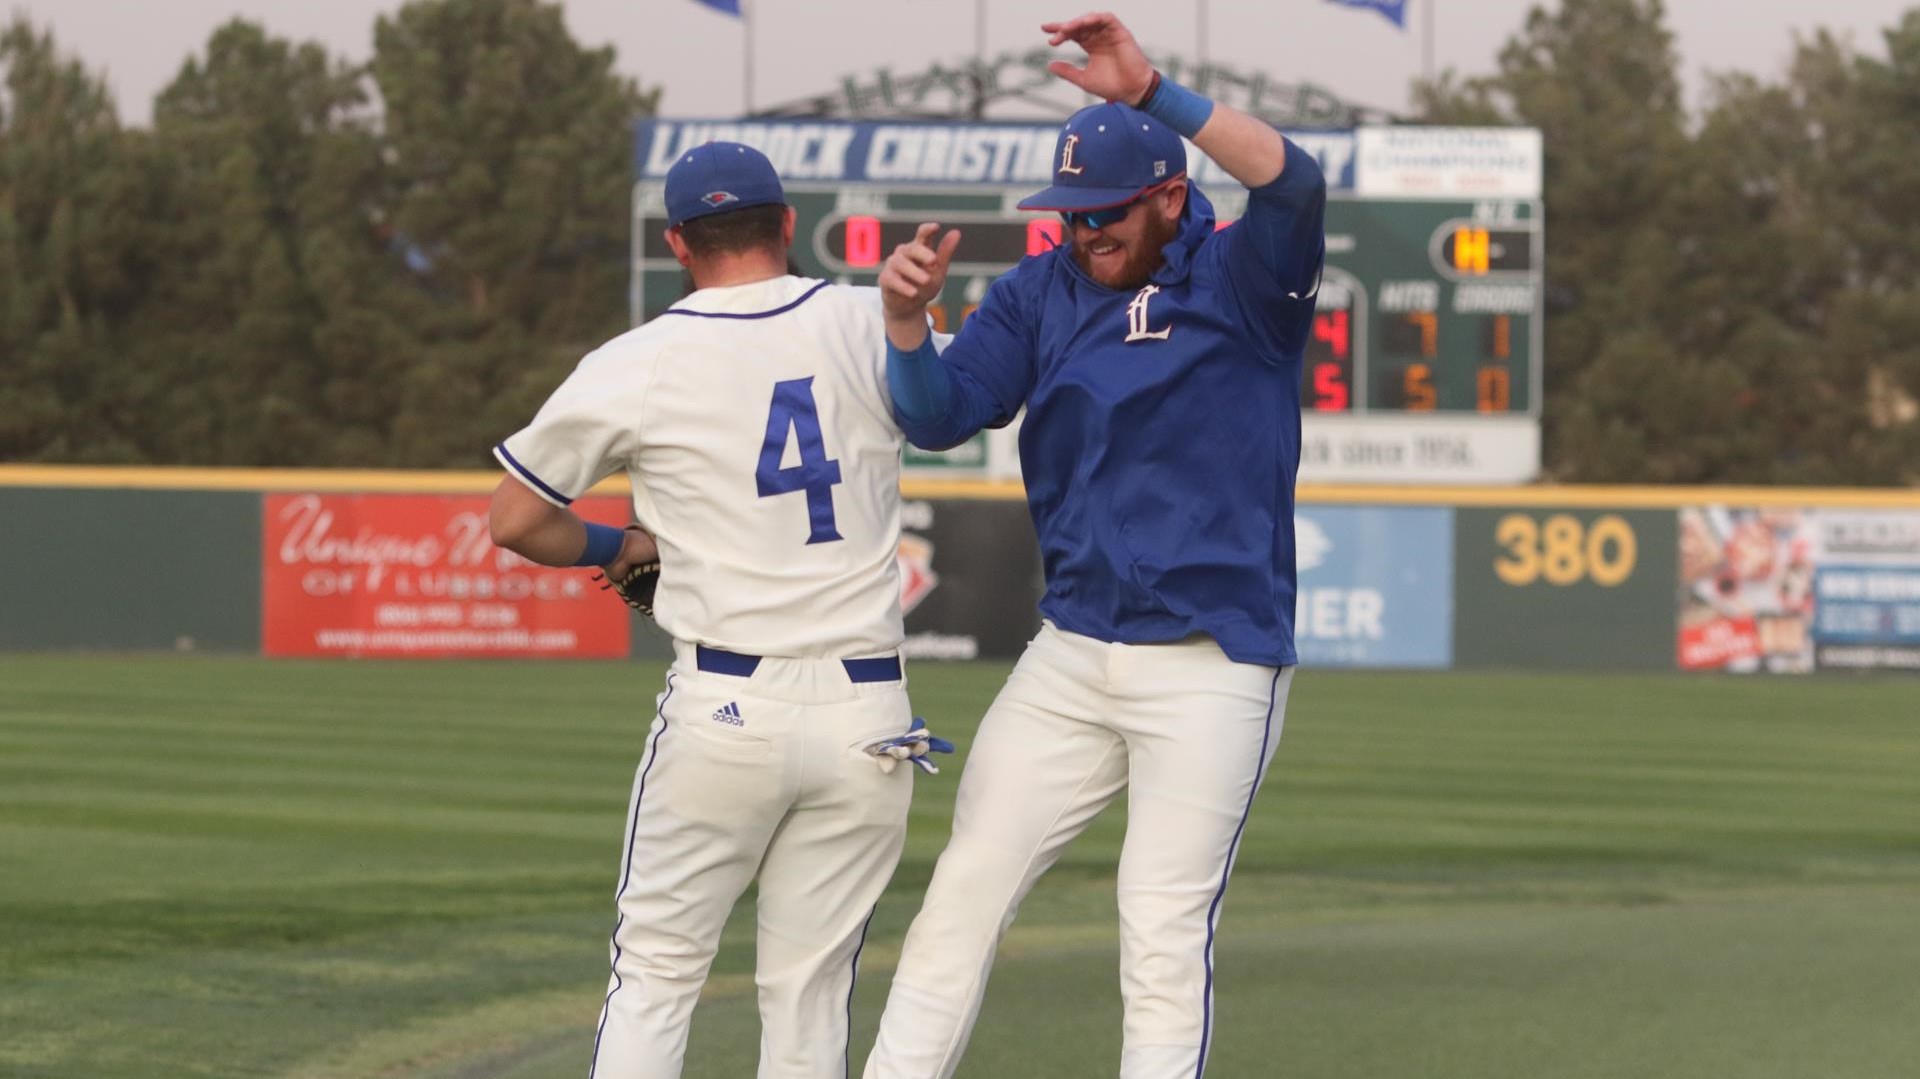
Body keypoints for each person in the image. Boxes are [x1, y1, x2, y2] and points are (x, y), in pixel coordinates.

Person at [862, 12, 1326, 1079]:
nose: (1082, 233)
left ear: (1170, 198)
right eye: (1068, 214)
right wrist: (904, 328)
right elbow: (940, 416)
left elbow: (1295, 182)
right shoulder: (1040, 290)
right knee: (962, 890)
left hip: (1212, 660)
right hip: (1071, 651)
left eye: (1102, 212)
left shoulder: (1243, 279)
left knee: (1159, 926)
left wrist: (1157, 91)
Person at [486, 141, 947, 1079]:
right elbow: (948, 399)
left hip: (728, 701)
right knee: (811, 989)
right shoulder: (869, 317)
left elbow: (516, 518)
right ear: (786, 224)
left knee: (657, 972)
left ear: (677, 243)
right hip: (872, 711)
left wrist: (620, 546)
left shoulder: (641, 359)